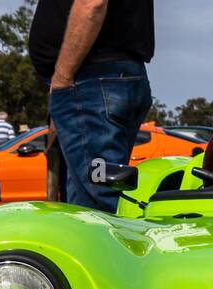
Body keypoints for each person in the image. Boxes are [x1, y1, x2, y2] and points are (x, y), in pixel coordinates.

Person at [28, 0, 155, 211]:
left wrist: (62, 77)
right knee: (84, 203)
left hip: (92, 81)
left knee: (98, 206)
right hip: (106, 80)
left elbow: (92, 4)